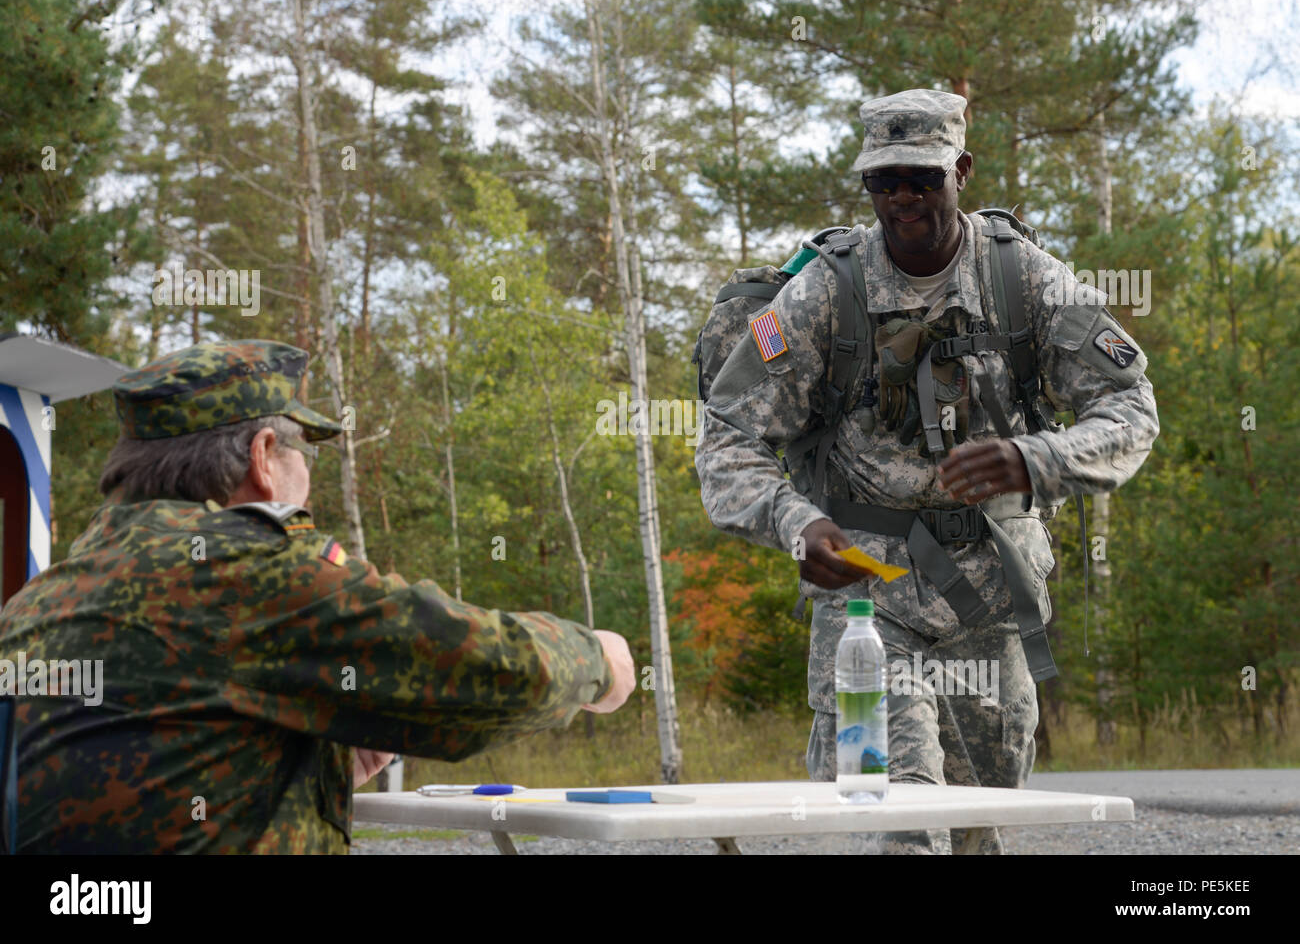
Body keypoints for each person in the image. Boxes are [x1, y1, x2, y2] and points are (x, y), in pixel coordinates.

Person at [695, 89, 1158, 854]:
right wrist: (795, 522)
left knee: (982, 826)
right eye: (885, 181)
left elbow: (1131, 407)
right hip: (867, 602)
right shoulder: (825, 293)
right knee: (901, 821)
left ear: (961, 170)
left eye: (922, 178)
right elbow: (728, 433)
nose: (902, 197)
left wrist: (1035, 458)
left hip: (991, 595)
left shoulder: (1025, 280)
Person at [0, 339, 635, 853]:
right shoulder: (244, 569)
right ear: (263, 456)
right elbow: (494, 669)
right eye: (304, 451)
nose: (309, 472)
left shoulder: (43, 599)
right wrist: (595, 658)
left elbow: (135, 781)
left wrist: (311, 773)